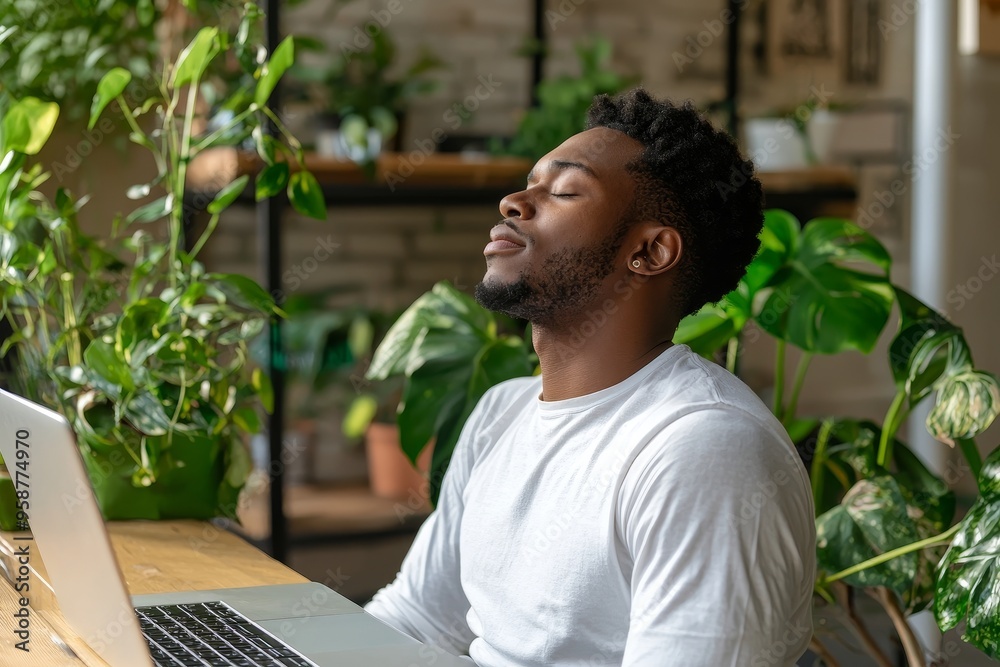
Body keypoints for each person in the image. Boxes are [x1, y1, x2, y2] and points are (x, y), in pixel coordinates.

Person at [365, 88, 816, 667]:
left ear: (651, 251)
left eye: (564, 191)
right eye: (528, 182)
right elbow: (418, 619)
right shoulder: (501, 412)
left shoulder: (701, 449)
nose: (512, 202)